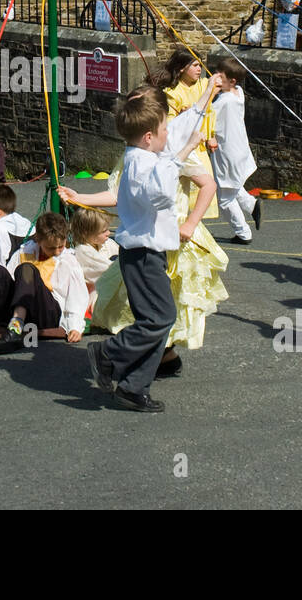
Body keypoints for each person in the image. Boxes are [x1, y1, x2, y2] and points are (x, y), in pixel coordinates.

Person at [63, 79, 221, 411]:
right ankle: (108, 354)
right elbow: (159, 194)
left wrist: (207, 95)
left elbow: (179, 126)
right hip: (143, 254)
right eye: (162, 128)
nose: (169, 132)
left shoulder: (146, 153)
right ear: (149, 136)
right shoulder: (139, 164)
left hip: (149, 253)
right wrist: (184, 153)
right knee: (159, 319)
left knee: (159, 319)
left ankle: (134, 387)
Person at [0, 211, 89, 354]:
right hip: (20, 307)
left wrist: (75, 326)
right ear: (38, 240)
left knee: (27, 269)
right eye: (51, 248)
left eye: (61, 246)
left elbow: (77, 296)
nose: (58, 251)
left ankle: (15, 328)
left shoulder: (68, 260)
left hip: (47, 311)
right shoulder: (25, 250)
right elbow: (8, 281)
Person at [210, 57, 260, 244]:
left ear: (232, 81)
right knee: (233, 185)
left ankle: (243, 233)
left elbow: (204, 114)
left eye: (220, 76)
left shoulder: (224, 101)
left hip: (227, 153)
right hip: (240, 149)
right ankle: (252, 205)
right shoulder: (239, 92)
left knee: (224, 198)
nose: (215, 78)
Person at [70, 206, 117, 317]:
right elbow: (109, 271)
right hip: (96, 292)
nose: (108, 233)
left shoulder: (107, 243)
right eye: (103, 231)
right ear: (87, 233)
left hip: (110, 287)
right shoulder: (82, 250)